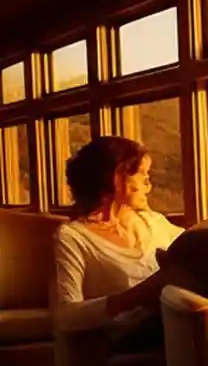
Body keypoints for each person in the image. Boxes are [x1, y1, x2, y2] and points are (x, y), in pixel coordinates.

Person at [52, 136, 188, 353]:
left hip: (169, 323)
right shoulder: (73, 237)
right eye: (141, 174)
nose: (148, 185)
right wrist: (131, 298)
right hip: (129, 335)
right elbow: (66, 316)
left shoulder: (153, 222)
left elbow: (194, 245)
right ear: (114, 176)